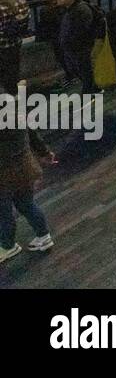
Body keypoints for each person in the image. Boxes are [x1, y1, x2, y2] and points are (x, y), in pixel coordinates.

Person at [0, 85, 56, 264]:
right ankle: (44, 236)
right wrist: (45, 152)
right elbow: (32, 133)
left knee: (3, 211)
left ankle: (8, 246)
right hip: (25, 166)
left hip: (5, 171)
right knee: (26, 204)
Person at [57, 0, 97, 93]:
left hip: (80, 48)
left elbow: (82, 30)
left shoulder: (81, 10)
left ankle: (89, 92)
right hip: (73, 49)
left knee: (85, 72)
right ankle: (92, 89)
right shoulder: (69, 9)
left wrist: (71, 42)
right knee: (80, 71)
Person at [0, 0, 31, 96]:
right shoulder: (22, 3)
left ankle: (11, 92)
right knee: (13, 66)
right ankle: (15, 89)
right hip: (16, 41)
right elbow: (26, 20)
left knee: (4, 70)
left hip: (2, 45)